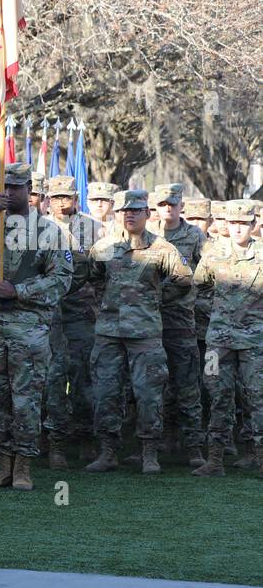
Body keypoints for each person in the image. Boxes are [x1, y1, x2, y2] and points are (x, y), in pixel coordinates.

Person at [0, 162, 73, 490]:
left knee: (26, 396)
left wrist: (19, 291)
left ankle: (23, 465)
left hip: (28, 324)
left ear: (30, 191)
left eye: (17, 187)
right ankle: (1, 463)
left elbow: (61, 280)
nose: (10, 192)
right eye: (6, 186)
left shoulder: (48, 232)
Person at [84, 189, 193, 474]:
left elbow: (183, 281)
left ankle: (149, 453)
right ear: (116, 214)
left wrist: (155, 299)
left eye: (135, 210)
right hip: (108, 333)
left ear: (147, 213)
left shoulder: (163, 249)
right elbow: (91, 280)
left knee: (149, 394)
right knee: (106, 393)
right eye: (123, 211)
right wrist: (105, 304)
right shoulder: (103, 247)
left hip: (145, 335)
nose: (129, 214)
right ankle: (107, 451)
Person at [192, 200, 263, 476]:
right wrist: (221, 313)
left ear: (253, 225)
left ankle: (259, 459)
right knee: (217, 395)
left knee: (257, 398)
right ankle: (215, 460)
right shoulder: (213, 253)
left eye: (243, 223)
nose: (237, 229)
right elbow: (201, 286)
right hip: (218, 342)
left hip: (255, 342)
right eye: (232, 223)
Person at [42, 175, 105, 466]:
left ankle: (87, 437)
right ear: (47, 199)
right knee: (53, 378)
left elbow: (105, 271)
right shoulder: (35, 228)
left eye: (66, 197)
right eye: (55, 197)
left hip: (81, 314)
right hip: (49, 314)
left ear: (76, 198)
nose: (61, 202)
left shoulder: (95, 228)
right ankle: (55, 441)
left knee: (84, 378)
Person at [149, 183, 207, 465]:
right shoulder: (148, 236)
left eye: (172, 204)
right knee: (153, 386)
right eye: (162, 205)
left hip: (182, 321)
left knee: (187, 385)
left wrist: (190, 295)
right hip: (149, 322)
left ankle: (194, 446)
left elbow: (206, 274)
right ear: (155, 208)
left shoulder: (195, 235)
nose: (167, 209)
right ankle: (155, 444)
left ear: (180, 205)